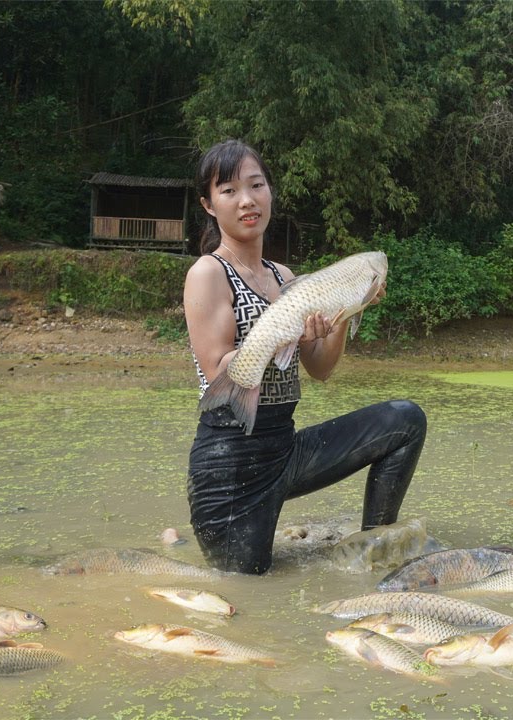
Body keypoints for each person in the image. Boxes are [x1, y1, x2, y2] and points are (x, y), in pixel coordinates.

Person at [182, 139, 427, 575]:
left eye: (256, 185)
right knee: (249, 585)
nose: (247, 200)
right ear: (208, 204)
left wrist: (345, 314)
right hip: (230, 468)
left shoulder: (287, 278)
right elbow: (217, 367)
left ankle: (376, 552)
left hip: (286, 450)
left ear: (270, 192)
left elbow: (321, 369)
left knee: (406, 420)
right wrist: (273, 338)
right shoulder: (208, 273)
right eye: (229, 191)